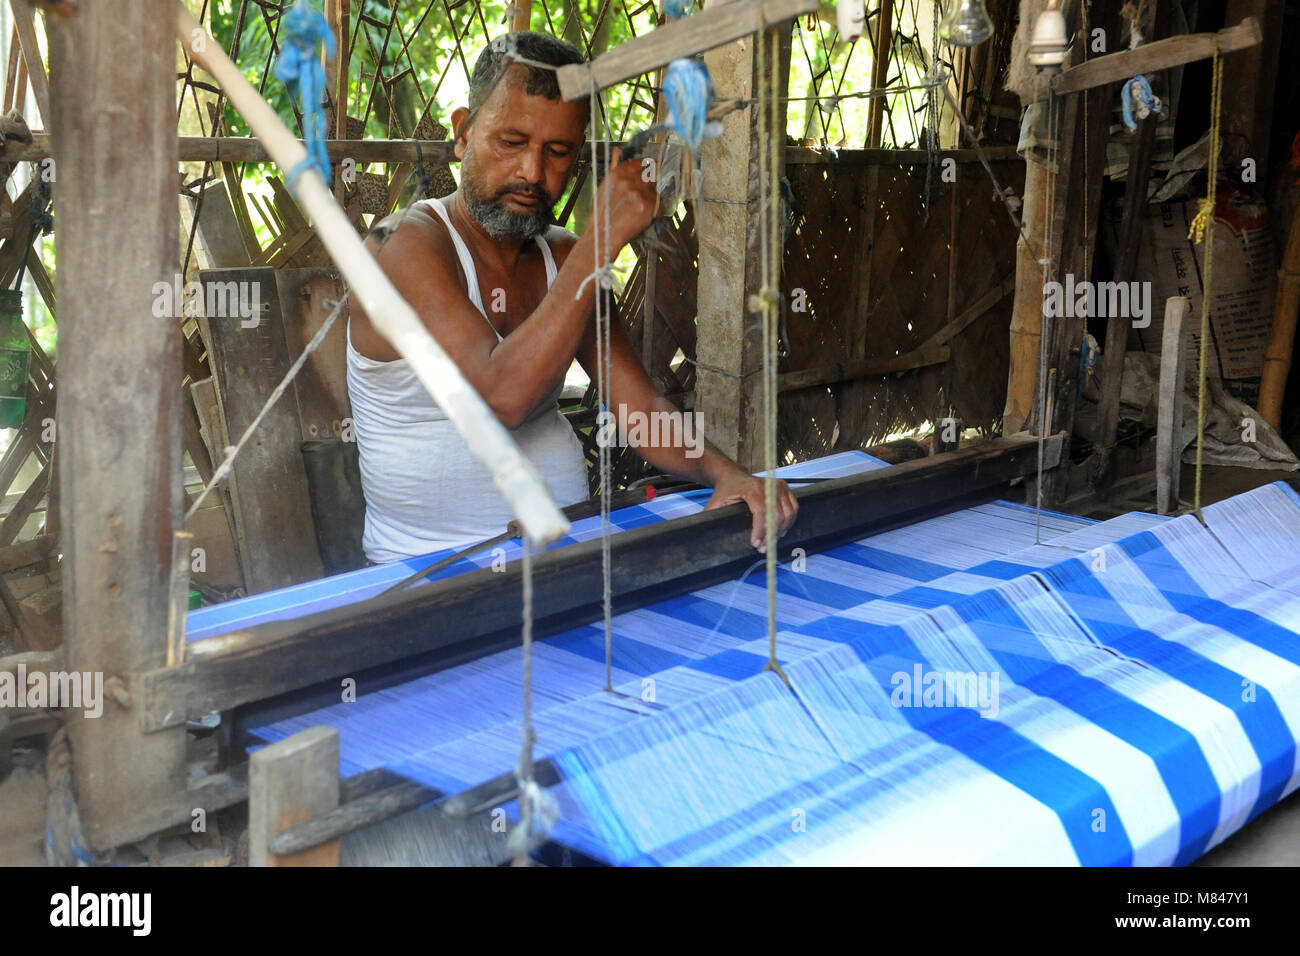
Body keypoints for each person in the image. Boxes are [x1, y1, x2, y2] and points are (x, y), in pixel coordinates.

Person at [347, 31, 797, 564]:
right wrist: (598, 245)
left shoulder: (561, 258)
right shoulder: (403, 245)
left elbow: (641, 411)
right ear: (464, 133)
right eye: (511, 142)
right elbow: (503, 398)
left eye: (557, 152)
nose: (532, 173)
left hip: (568, 557)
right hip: (431, 575)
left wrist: (728, 474)